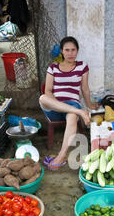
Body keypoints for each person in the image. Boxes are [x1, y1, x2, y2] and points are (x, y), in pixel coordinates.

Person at [39, 36, 97, 170]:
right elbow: (48, 91)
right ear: (61, 51)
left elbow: (85, 88)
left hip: (72, 105)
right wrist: (58, 105)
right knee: (42, 98)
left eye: (73, 50)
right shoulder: (53, 68)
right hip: (55, 107)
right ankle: (80, 112)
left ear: (77, 51)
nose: (70, 53)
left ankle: (61, 155)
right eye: (67, 50)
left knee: (71, 115)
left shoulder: (82, 66)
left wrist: (89, 105)